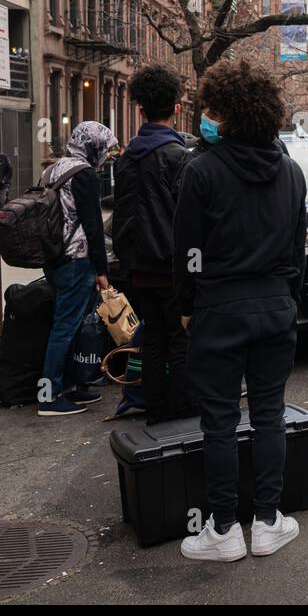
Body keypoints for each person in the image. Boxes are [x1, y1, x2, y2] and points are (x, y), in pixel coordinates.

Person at [173, 60, 307, 562]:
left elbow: (187, 250)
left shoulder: (201, 170)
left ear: (226, 114)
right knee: (270, 414)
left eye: (212, 110)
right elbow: (297, 253)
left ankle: (224, 528)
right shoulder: (292, 172)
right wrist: (288, 299)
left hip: (220, 309)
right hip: (275, 307)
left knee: (221, 421)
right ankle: (269, 521)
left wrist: (187, 305)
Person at [112, 64, 195, 424]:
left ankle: (156, 415)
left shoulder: (127, 158)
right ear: (176, 108)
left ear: (140, 109)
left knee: (153, 343)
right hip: (173, 269)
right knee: (179, 343)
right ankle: (181, 414)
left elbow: (123, 212)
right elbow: (187, 218)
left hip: (139, 268)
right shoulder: (180, 157)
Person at [37, 120, 118, 417]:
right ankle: (49, 395)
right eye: (104, 149)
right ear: (92, 146)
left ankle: (71, 385)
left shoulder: (53, 169)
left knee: (67, 326)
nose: (106, 156)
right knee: (65, 327)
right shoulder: (84, 175)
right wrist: (101, 268)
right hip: (77, 260)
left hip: (55, 258)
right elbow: (94, 227)